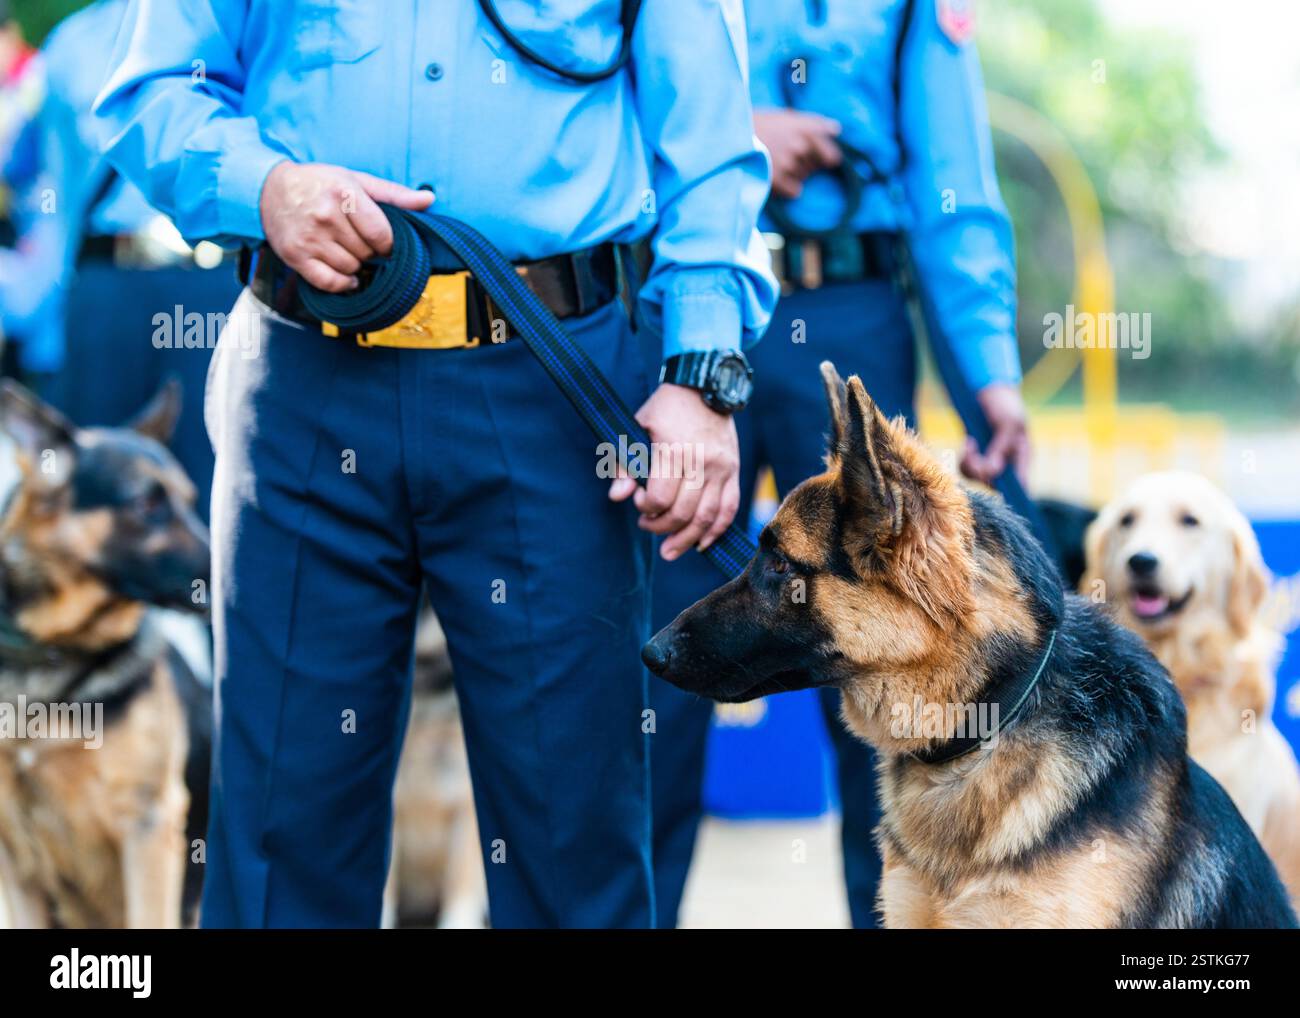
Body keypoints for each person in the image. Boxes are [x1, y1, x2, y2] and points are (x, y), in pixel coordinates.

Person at [97, 0, 777, 928]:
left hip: (551, 380)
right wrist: (266, 188)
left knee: (573, 829)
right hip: (303, 377)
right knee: (278, 837)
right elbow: (150, 91)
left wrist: (700, 371)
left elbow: (707, 136)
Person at [649, 0, 1030, 928]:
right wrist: (734, 137)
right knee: (663, 663)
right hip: (684, 329)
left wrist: (989, 372)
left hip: (855, 307)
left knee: (883, 677)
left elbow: (954, 179)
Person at [5, 0, 239, 512]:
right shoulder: (74, 41)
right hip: (111, 285)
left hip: (219, 282)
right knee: (95, 492)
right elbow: (61, 196)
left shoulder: (243, 18)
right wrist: (48, 328)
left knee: (223, 489)